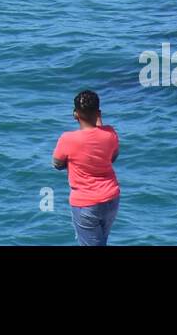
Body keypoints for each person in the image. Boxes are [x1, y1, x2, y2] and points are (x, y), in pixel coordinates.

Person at [52, 90, 120, 245]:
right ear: (98, 113)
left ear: (75, 114)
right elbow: (112, 157)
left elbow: (57, 164)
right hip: (111, 198)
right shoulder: (110, 133)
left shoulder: (68, 139)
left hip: (86, 204)